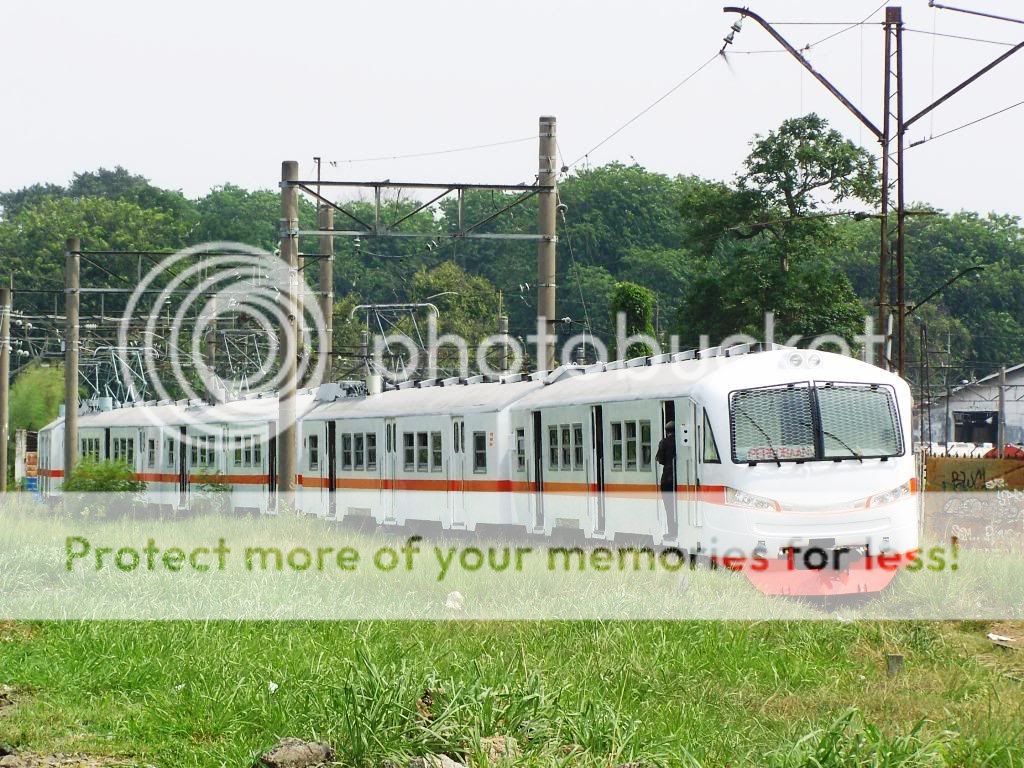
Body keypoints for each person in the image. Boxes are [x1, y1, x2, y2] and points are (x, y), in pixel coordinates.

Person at [655, 423, 678, 539]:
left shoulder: (664, 442)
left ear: (666, 431)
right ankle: (679, 530)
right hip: (680, 480)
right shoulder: (679, 442)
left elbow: (660, 459)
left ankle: (672, 532)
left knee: (669, 508)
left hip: (667, 479)